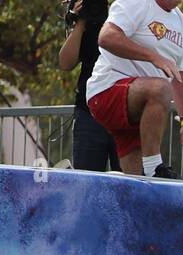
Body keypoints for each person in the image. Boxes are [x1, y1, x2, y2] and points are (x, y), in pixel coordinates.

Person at [85, 0, 183, 178]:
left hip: (138, 108)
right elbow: (106, 37)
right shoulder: (138, 2)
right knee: (160, 88)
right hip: (108, 90)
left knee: (137, 183)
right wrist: (153, 57)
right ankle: (155, 168)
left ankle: (139, 182)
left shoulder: (182, 23)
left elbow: (182, 77)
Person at [59, 0, 120, 172]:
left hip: (123, 111)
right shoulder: (87, 26)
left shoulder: (127, 17)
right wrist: (81, 22)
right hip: (89, 113)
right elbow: (65, 63)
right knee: (86, 181)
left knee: (128, 181)